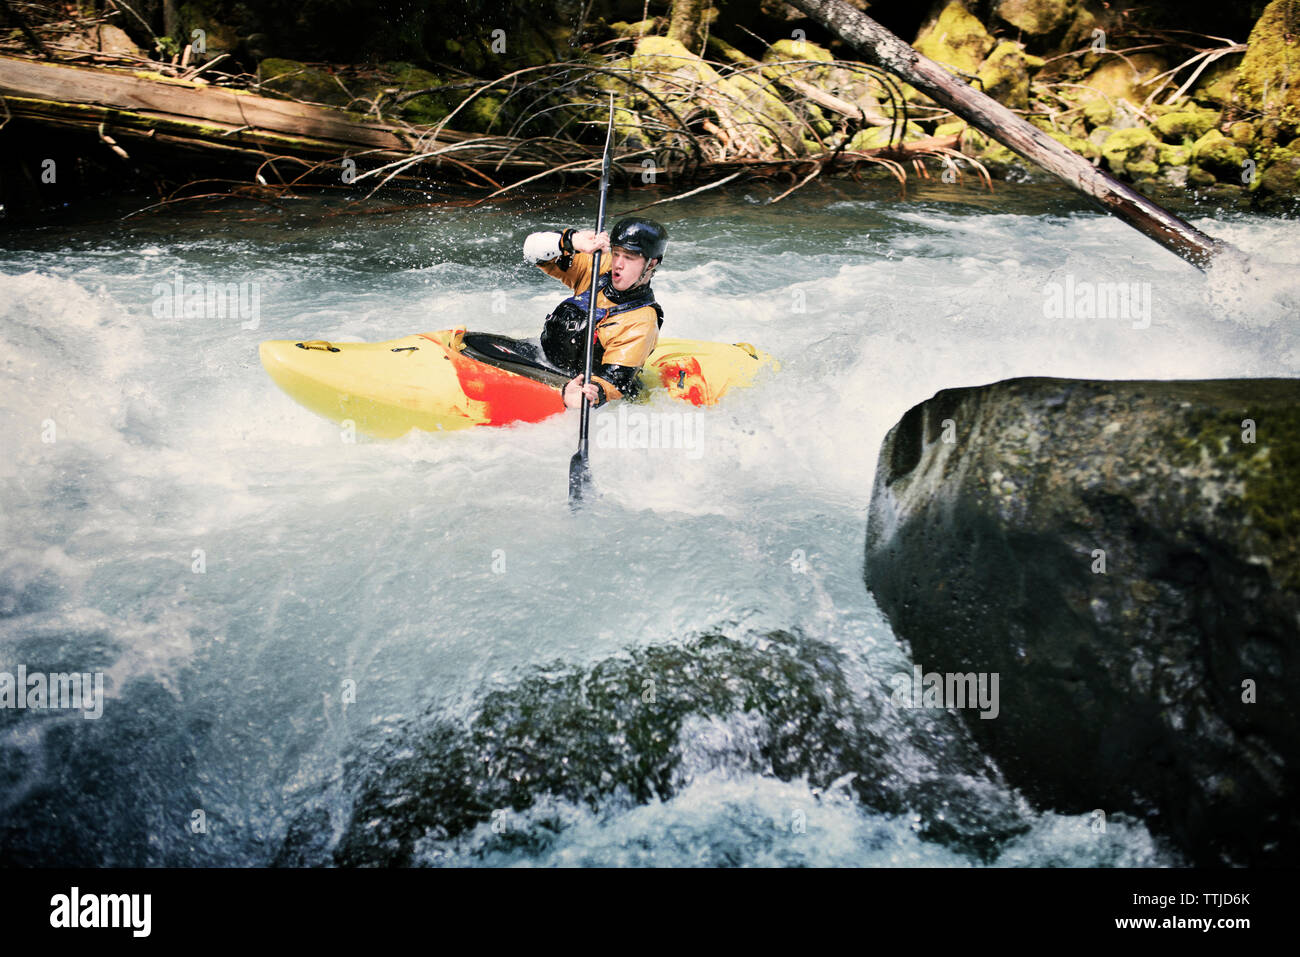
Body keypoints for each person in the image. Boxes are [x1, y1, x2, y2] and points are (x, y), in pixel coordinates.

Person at [522, 217, 667, 409]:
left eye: (629, 257)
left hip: (586, 386)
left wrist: (584, 397)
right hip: (545, 357)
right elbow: (531, 251)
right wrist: (572, 241)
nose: (618, 264)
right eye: (616, 253)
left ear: (650, 264)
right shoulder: (599, 266)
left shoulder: (641, 323)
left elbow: (612, 384)